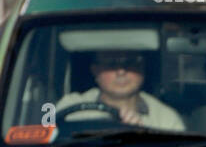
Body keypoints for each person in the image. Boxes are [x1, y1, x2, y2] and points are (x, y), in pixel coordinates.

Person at [56, 49, 185, 131]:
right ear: (95, 70)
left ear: (142, 68)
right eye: (111, 64)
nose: (121, 71)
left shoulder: (166, 119)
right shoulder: (69, 106)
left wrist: (142, 139)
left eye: (130, 62)